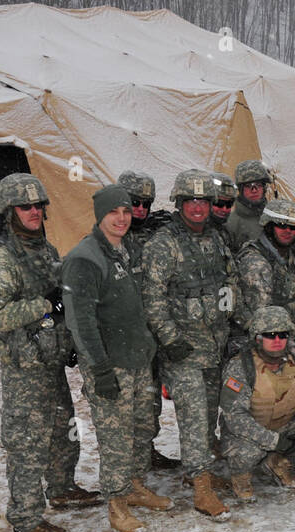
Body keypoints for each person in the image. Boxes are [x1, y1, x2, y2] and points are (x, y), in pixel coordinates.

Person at [0, 172, 100, 532]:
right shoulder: (1, 258)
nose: (34, 212)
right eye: (25, 206)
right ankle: (25, 515)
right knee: (27, 443)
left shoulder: (44, 250)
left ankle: (62, 488)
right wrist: (45, 304)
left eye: (38, 205)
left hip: (49, 359)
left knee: (62, 432)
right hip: (24, 368)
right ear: (9, 211)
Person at [63, 184, 172, 532]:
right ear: (100, 215)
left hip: (138, 361)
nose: (122, 218)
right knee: (116, 438)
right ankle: (117, 504)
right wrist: (100, 369)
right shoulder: (85, 258)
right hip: (111, 366)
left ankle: (135, 486)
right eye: (114, 212)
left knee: (141, 429)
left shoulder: (121, 250)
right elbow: (81, 323)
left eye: (126, 212)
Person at [141, 169, 240, 521]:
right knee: (195, 417)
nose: (198, 208)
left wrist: (228, 313)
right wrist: (170, 339)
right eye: (191, 201)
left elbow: (230, 278)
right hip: (182, 349)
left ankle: (195, 471)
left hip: (213, 344)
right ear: (180, 203)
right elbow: (152, 298)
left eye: (203, 201)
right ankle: (201, 488)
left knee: (210, 412)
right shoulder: (163, 243)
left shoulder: (216, 239)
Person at [219, 306, 295, 501]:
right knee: (246, 453)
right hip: (248, 433)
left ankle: (276, 461)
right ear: (258, 337)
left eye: (283, 335)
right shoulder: (240, 367)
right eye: (270, 335)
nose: (277, 341)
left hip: (284, 426)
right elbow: (235, 418)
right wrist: (274, 441)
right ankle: (240, 477)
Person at [118, 169, 180, 471]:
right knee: (127, 404)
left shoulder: (152, 234)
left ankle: (146, 449)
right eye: (134, 203)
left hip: (152, 333)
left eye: (146, 203)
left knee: (150, 399)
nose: (140, 210)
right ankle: (130, 464)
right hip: (124, 336)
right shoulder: (109, 238)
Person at [235, 198, 295, 354]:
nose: (288, 231)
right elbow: (263, 318)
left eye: (293, 227)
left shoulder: (288, 255)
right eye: (281, 225)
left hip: (285, 339)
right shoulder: (256, 262)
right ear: (268, 226)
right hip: (265, 345)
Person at [225, 159, 273, 251]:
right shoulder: (231, 224)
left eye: (258, 185)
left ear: (264, 188)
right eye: (248, 186)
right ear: (240, 189)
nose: (254, 190)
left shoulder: (275, 217)